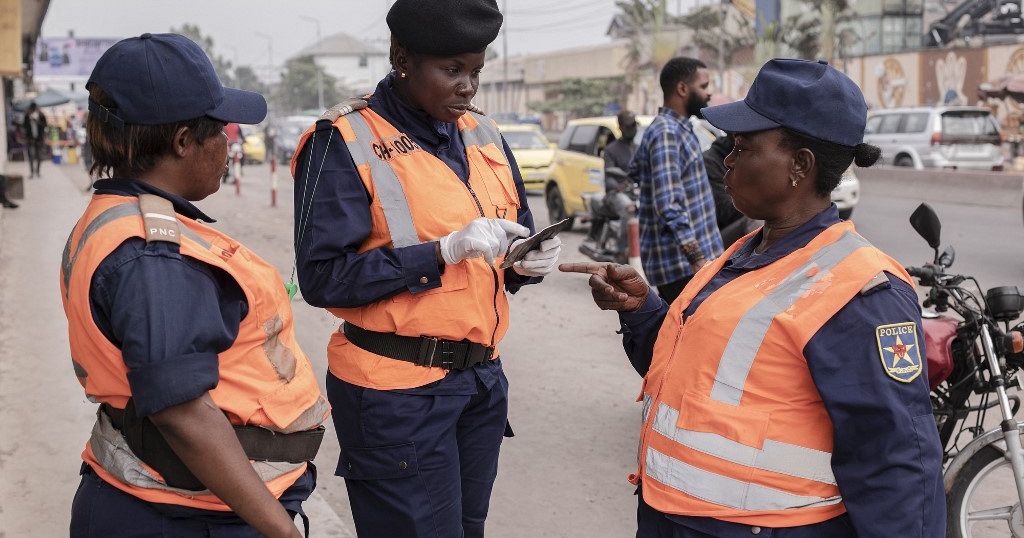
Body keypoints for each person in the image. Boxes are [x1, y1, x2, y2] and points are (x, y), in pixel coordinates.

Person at [561, 58, 944, 537]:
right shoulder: (742, 252)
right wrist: (644, 312)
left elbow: (896, 460)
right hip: (674, 517)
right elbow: (697, 378)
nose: (727, 161)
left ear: (799, 167)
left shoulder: (862, 291)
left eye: (743, 148)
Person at [289, 1, 561, 536]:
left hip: (479, 382)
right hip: (395, 392)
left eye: (477, 71)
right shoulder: (343, 141)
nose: (468, 87)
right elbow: (322, 278)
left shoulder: (485, 135)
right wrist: (439, 253)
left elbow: (504, 253)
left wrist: (525, 267)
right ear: (402, 58)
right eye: (452, 70)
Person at [60, 33, 329, 538]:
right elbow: (181, 411)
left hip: (173, 504)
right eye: (223, 130)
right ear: (183, 141)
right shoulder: (153, 256)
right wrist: (283, 532)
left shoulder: (124, 216)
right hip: (180, 516)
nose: (231, 143)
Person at [631, 57, 722, 304]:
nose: (709, 93)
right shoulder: (667, 133)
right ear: (683, 89)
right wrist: (698, 260)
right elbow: (669, 205)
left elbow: (636, 171)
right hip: (682, 267)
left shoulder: (678, 129)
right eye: (704, 87)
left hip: (691, 264)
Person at [583, 110, 639, 262]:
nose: (632, 129)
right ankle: (622, 252)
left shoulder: (639, 148)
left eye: (634, 125)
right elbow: (609, 175)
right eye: (628, 126)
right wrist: (618, 186)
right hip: (616, 194)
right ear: (621, 127)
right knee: (629, 209)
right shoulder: (611, 149)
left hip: (636, 192)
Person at [22, 101, 47, 178]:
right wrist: (29, 119)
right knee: (31, 156)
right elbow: (24, 126)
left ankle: (38, 171)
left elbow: (45, 125)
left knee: (39, 156)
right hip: (31, 140)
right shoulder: (27, 116)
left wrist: (37, 121)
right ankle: (32, 172)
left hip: (39, 140)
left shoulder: (41, 116)